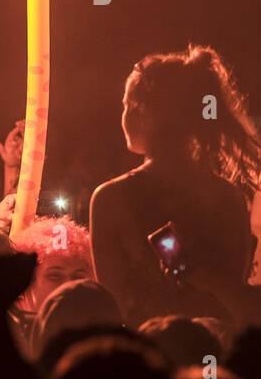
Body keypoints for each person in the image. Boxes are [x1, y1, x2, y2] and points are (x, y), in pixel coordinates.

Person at [89, 45, 260, 322]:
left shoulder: (111, 199)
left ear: (141, 111)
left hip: (147, 359)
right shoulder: (228, 197)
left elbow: (113, 308)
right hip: (219, 354)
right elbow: (238, 298)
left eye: (124, 105)